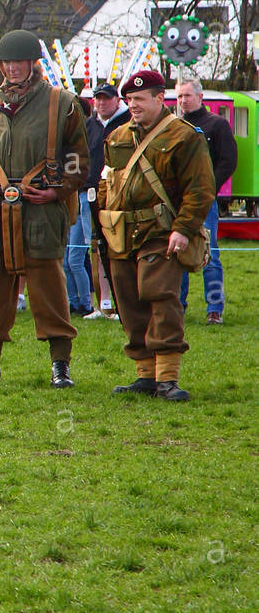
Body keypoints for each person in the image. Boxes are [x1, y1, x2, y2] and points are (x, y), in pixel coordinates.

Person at [0, 29, 89, 388]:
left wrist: (59, 191)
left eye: (20, 62)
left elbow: (78, 158)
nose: (13, 68)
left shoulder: (62, 103)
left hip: (42, 211)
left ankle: (61, 364)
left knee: (49, 287)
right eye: (7, 62)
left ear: (33, 64)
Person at [99, 71, 215, 401]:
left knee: (161, 299)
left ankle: (167, 378)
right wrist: (104, 223)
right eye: (129, 100)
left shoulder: (184, 136)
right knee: (129, 302)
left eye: (139, 99)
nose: (133, 105)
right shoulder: (117, 137)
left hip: (162, 232)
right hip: (121, 232)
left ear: (159, 98)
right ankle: (145, 375)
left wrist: (183, 229)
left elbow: (200, 189)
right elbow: (107, 181)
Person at [174, 77, 235, 324]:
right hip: (178, 199)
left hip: (205, 200)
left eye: (187, 96)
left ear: (200, 97)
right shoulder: (174, 126)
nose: (182, 101)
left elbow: (228, 160)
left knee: (209, 253)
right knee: (177, 251)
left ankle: (214, 308)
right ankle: (177, 306)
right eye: (179, 97)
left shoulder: (217, 125)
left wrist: (209, 188)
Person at [86, 83, 129, 318]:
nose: (101, 103)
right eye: (98, 99)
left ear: (116, 100)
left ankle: (122, 301)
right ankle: (102, 302)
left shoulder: (127, 123)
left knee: (116, 247)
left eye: (106, 98)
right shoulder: (89, 125)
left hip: (117, 195)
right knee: (95, 248)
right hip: (90, 193)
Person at [62, 98, 95, 317]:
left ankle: (87, 303)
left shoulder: (91, 133)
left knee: (75, 258)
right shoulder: (66, 138)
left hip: (85, 197)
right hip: (70, 196)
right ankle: (72, 302)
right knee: (66, 259)